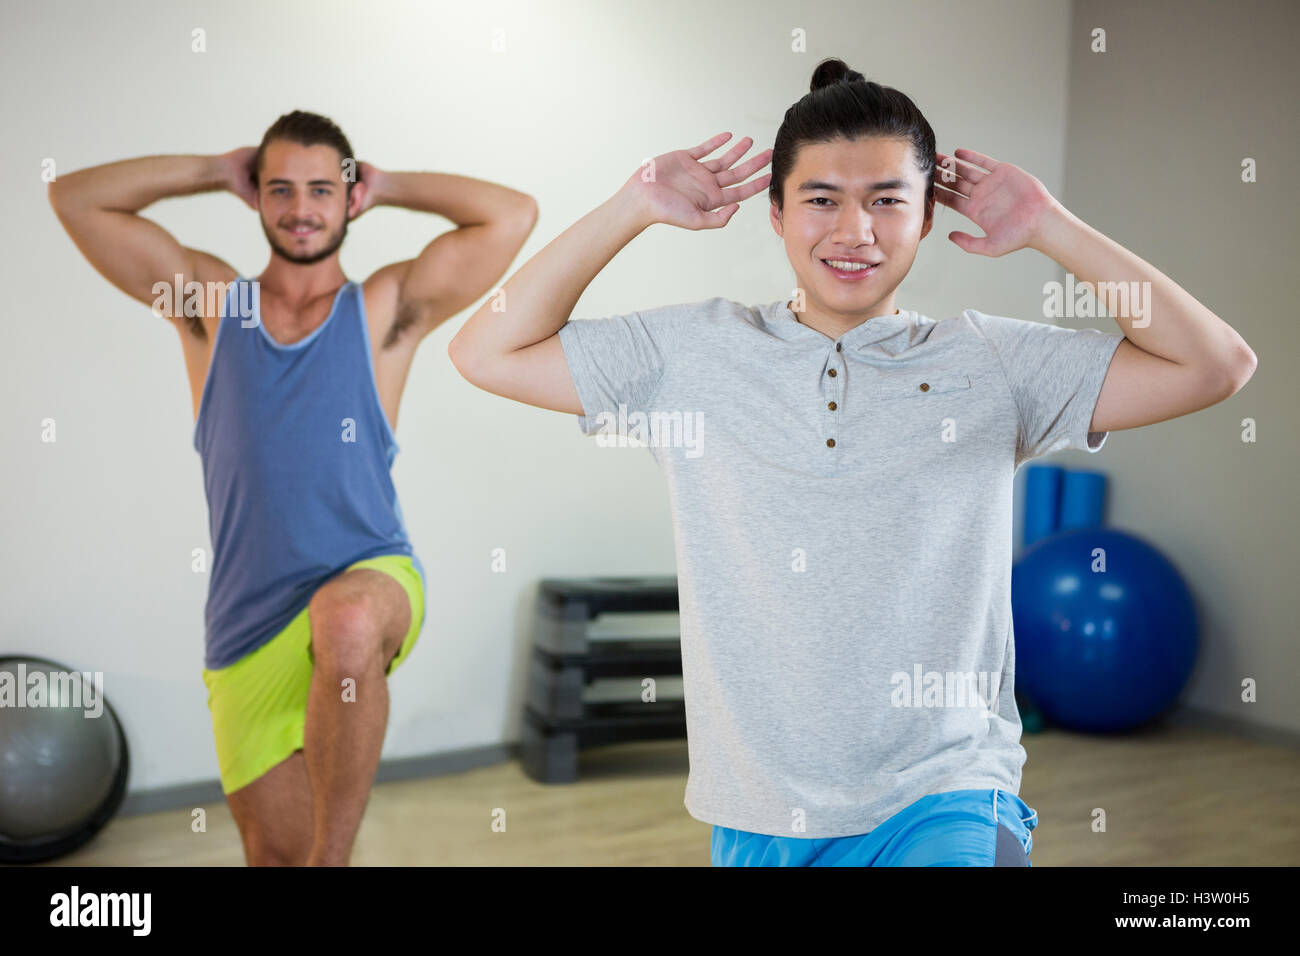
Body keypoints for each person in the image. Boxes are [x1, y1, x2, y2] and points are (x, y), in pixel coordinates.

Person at [448, 59, 1256, 866]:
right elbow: (484, 348)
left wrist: (1051, 225)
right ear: (775, 211)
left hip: (946, 791)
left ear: (927, 217)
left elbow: (1216, 364)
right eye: (822, 199)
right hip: (760, 808)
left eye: (887, 200)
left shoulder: (992, 363)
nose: (855, 231)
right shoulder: (688, 356)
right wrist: (631, 207)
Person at [48, 110, 537, 866]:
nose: (302, 208)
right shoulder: (213, 305)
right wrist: (214, 168)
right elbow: (75, 199)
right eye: (279, 189)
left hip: (369, 577)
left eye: (321, 189)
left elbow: (512, 215)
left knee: (341, 623)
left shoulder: (380, 311)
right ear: (257, 197)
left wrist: (391, 184)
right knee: (273, 855)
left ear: (349, 198)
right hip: (247, 624)